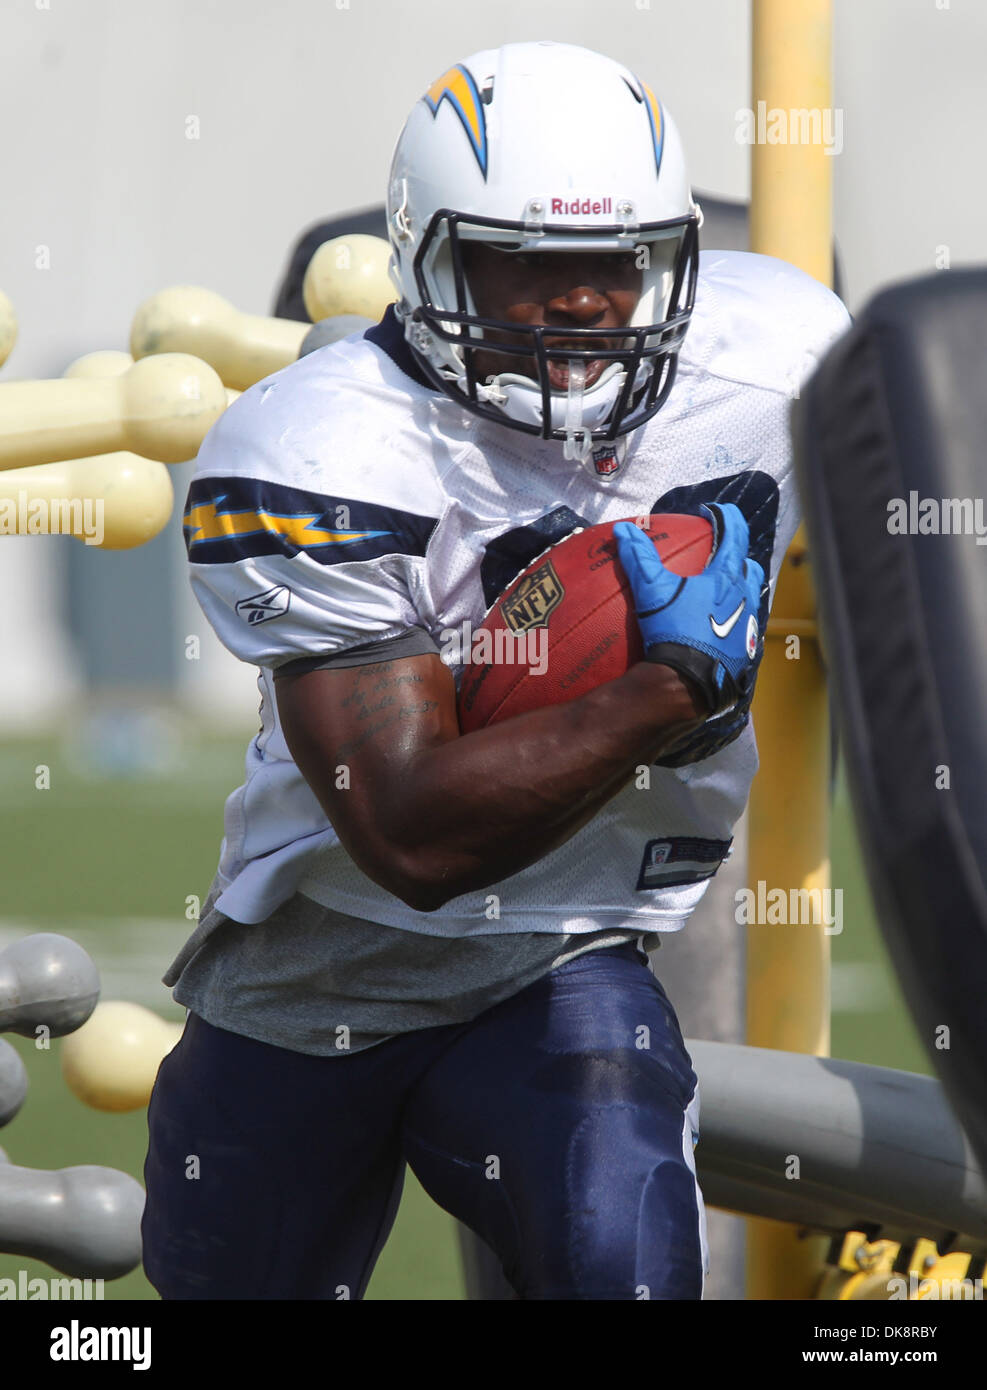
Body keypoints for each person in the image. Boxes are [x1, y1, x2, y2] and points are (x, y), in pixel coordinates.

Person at [141, 39, 850, 1301]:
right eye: (526, 264)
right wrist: (668, 688)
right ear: (427, 259)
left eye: (617, 266)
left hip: (567, 950)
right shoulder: (323, 446)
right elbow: (411, 838)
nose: (582, 303)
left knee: (620, 1255)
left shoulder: (782, 355)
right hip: (322, 965)